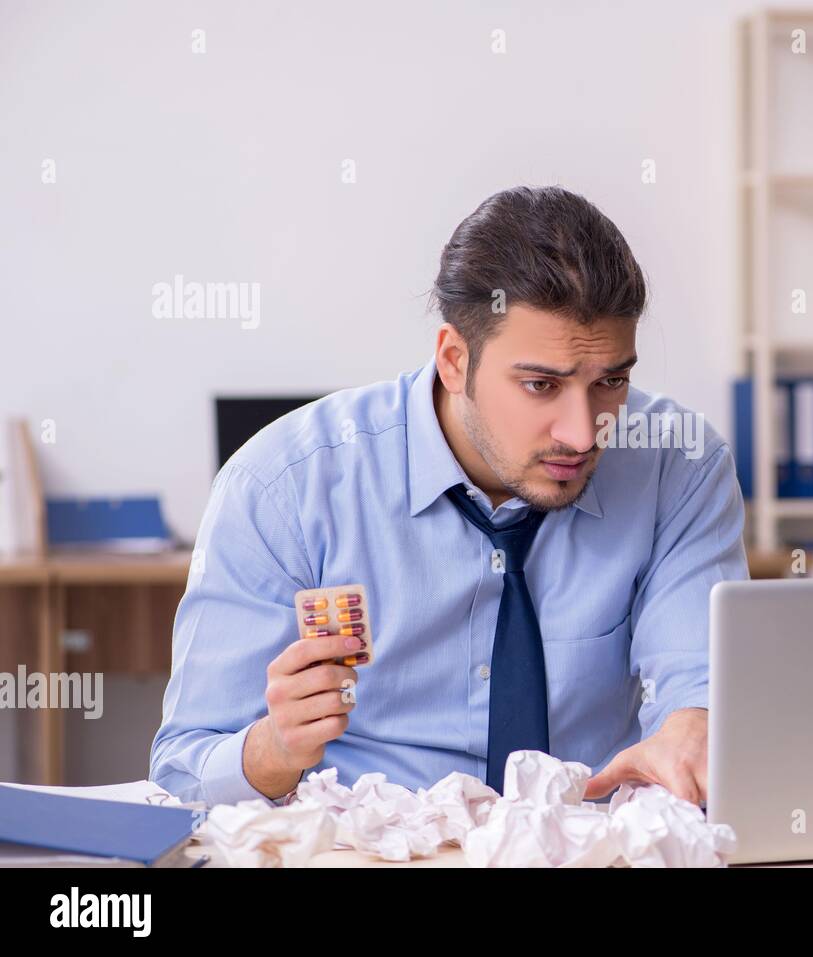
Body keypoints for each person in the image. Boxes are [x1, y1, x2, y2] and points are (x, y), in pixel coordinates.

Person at [149, 185, 748, 809]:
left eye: (611, 382)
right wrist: (274, 750)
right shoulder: (282, 485)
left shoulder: (678, 465)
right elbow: (182, 769)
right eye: (541, 384)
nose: (582, 431)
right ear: (455, 360)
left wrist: (694, 729)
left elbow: (696, 684)